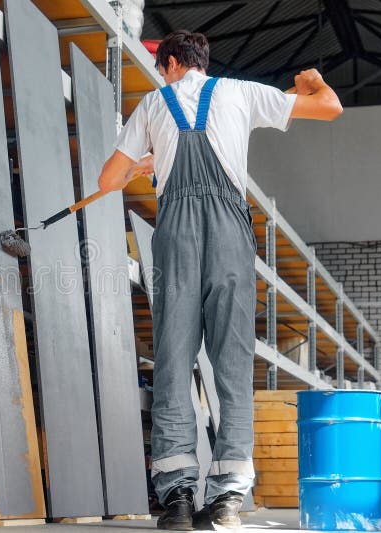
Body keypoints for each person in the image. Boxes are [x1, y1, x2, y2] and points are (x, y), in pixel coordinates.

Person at [96, 30, 342, 530]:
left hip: (176, 239)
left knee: (172, 363)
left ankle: (178, 498)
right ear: (203, 64)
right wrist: (311, 79)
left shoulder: (152, 105)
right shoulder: (242, 92)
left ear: (167, 64)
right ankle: (227, 497)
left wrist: (147, 163)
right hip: (231, 236)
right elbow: (330, 106)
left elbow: (107, 183)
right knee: (232, 366)